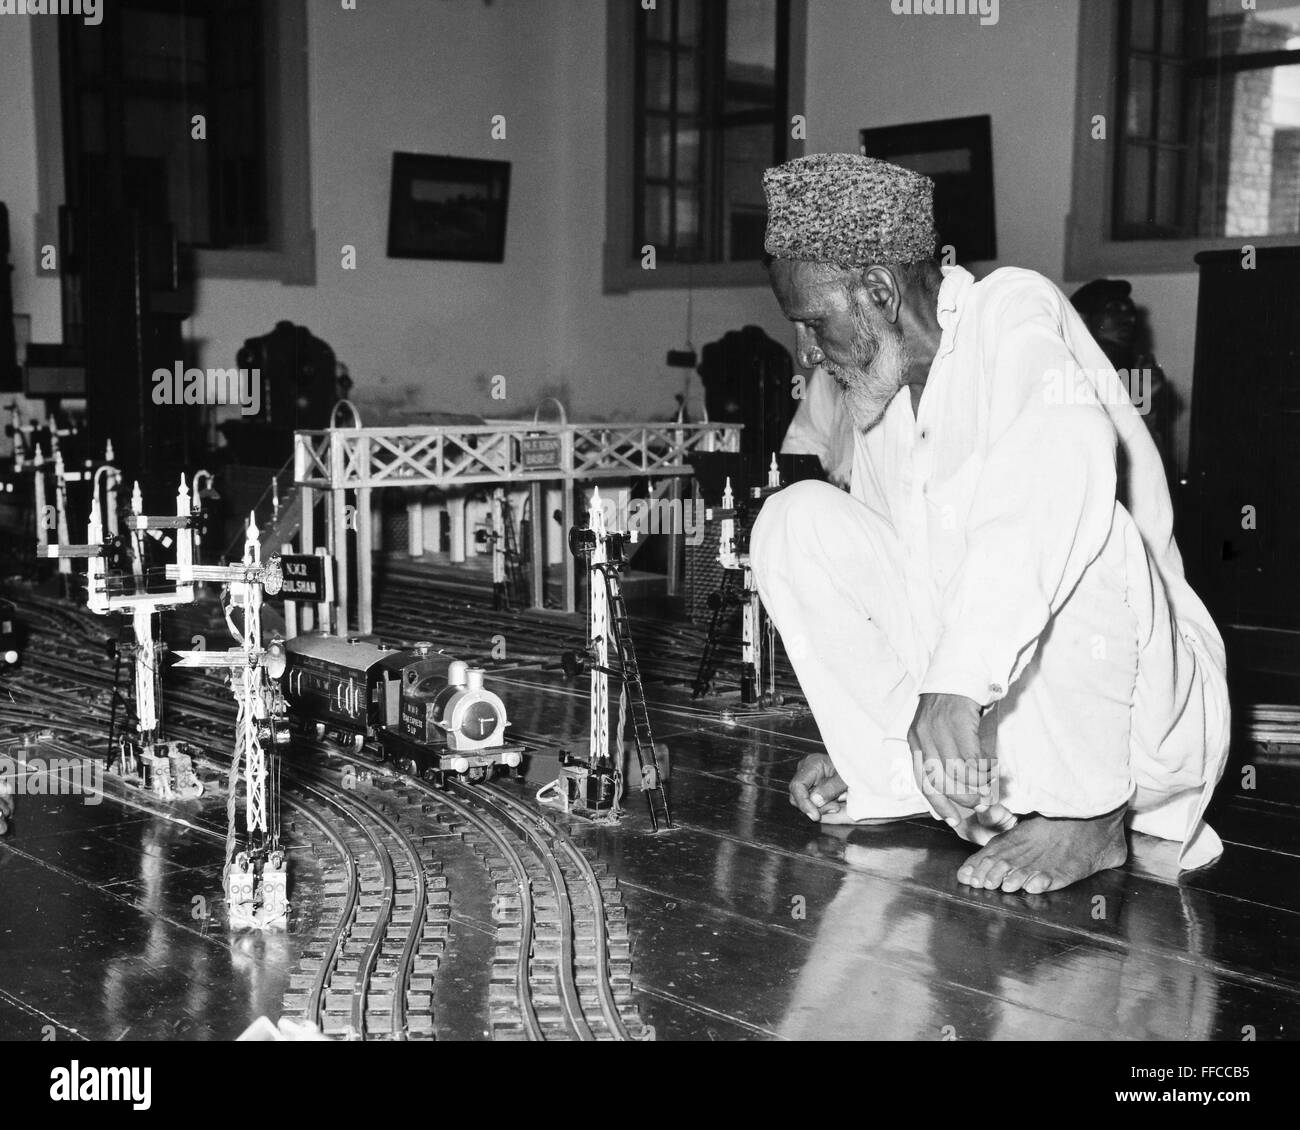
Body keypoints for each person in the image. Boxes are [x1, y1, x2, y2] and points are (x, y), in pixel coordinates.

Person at [751, 153, 1230, 894]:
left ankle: (1089, 815)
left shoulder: (1013, 310)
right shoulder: (881, 400)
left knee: (1078, 511)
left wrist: (955, 684)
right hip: (994, 721)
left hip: (1138, 722)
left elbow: (1061, 473)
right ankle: (905, 779)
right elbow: (897, 597)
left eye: (813, 323)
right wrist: (868, 743)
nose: (809, 352)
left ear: (878, 290)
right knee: (795, 518)